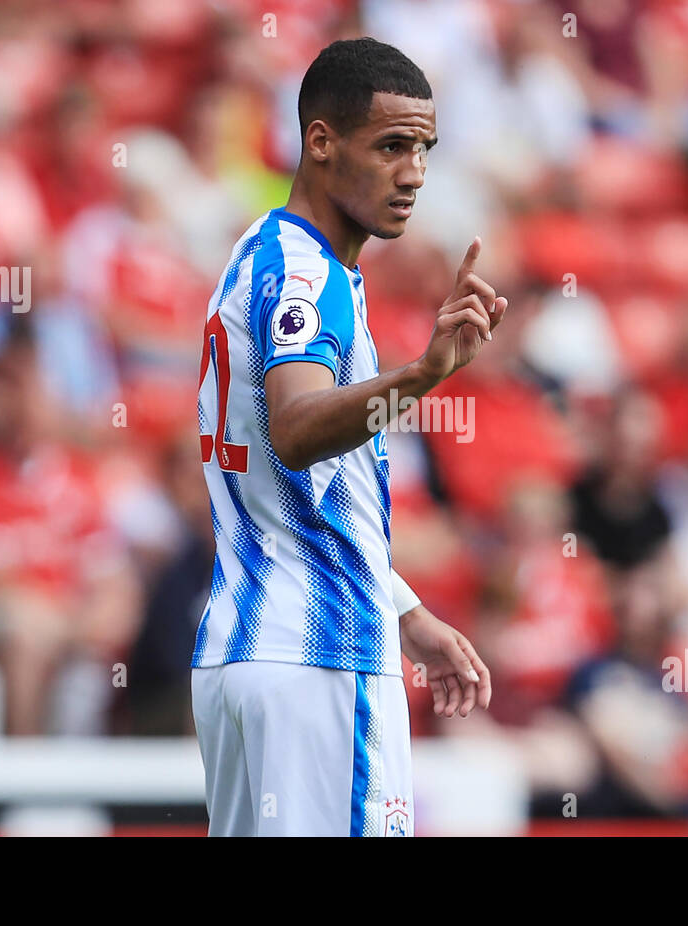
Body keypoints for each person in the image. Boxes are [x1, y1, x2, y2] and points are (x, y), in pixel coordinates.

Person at [190, 37, 502, 837]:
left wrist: (401, 609)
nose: (414, 173)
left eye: (424, 149)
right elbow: (295, 433)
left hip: (250, 649)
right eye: (391, 145)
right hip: (318, 657)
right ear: (321, 142)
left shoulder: (266, 256)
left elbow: (292, 485)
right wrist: (420, 377)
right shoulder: (310, 276)